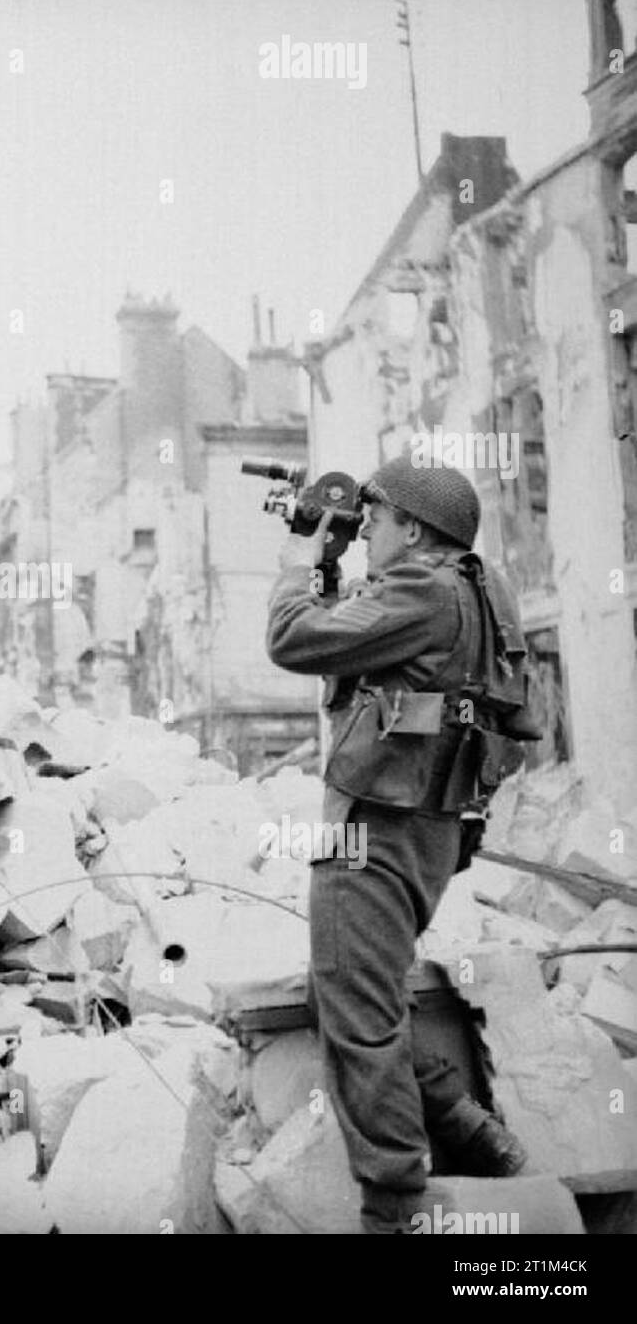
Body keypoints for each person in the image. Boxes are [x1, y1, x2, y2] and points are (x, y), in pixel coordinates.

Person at [265, 453, 532, 1234]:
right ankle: (468, 1127)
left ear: (413, 529)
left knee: (360, 1018)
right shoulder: (474, 586)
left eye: (373, 521)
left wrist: (295, 565)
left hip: (375, 829)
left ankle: (396, 1209)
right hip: (427, 824)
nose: (365, 530)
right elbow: (367, 644)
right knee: (354, 987)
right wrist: (335, 561)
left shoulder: (420, 589)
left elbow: (294, 639)